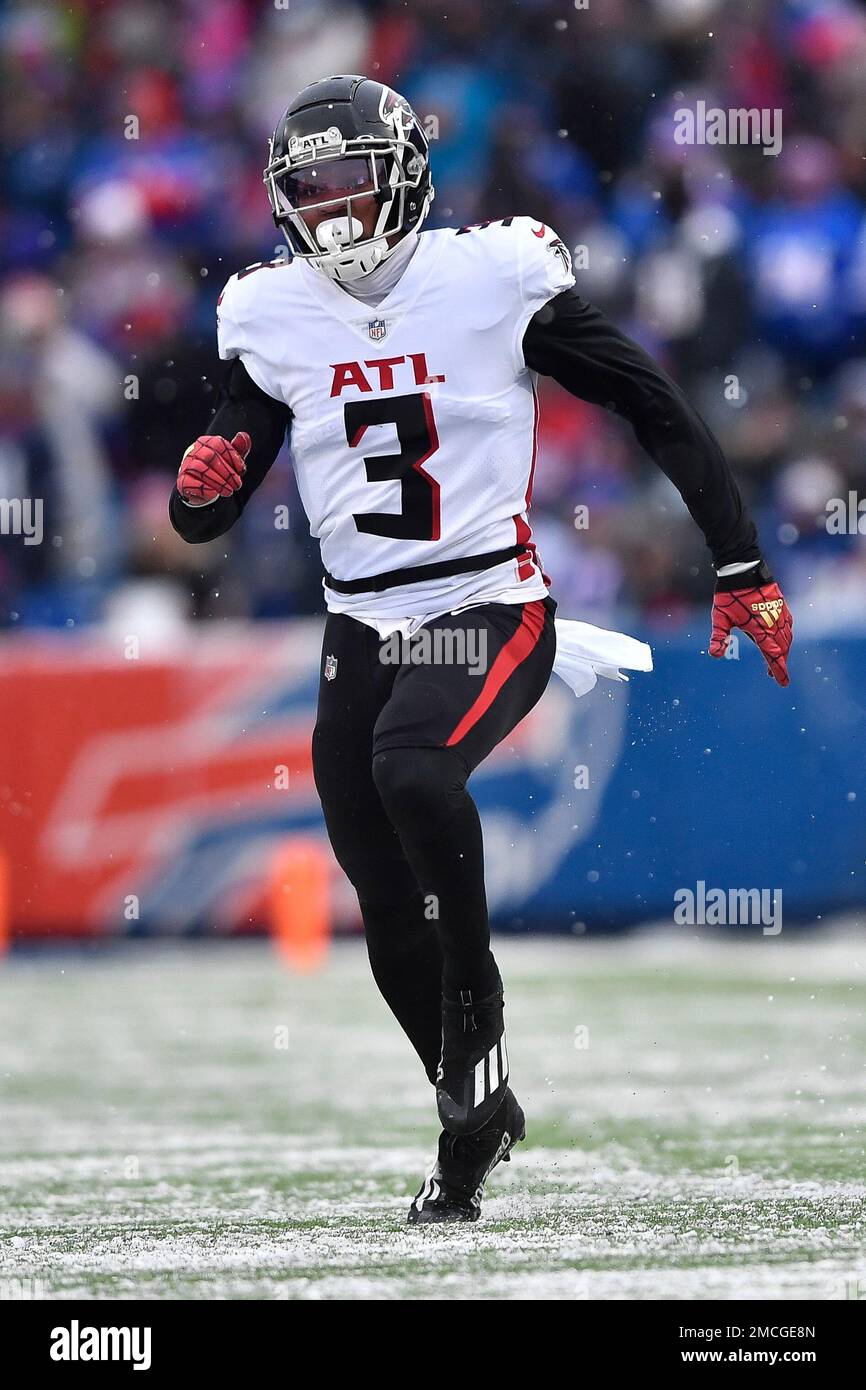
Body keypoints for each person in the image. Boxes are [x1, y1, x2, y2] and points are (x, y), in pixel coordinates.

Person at [168, 75, 793, 1223]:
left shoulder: (489, 274)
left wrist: (737, 558)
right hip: (359, 621)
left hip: (487, 601)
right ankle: (470, 1115)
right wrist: (201, 488)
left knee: (412, 769)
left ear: (404, 172)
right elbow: (221, 480)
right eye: (311, 188)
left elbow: (649, 399)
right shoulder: (268, 310)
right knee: (373, 881)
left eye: (352, 178)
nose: (335, 208)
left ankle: (479, 1001)